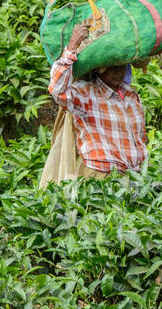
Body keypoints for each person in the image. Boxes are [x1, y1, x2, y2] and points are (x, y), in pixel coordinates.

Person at [40, 21, 147, 187]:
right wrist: (72, 46)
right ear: (98, 68)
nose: (118, 71)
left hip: (135, 178)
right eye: (111, 67)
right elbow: (57, 90)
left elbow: (140, 138)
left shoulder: (131, 96)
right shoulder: (86, 93)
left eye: (121, 66)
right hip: (99, 179)